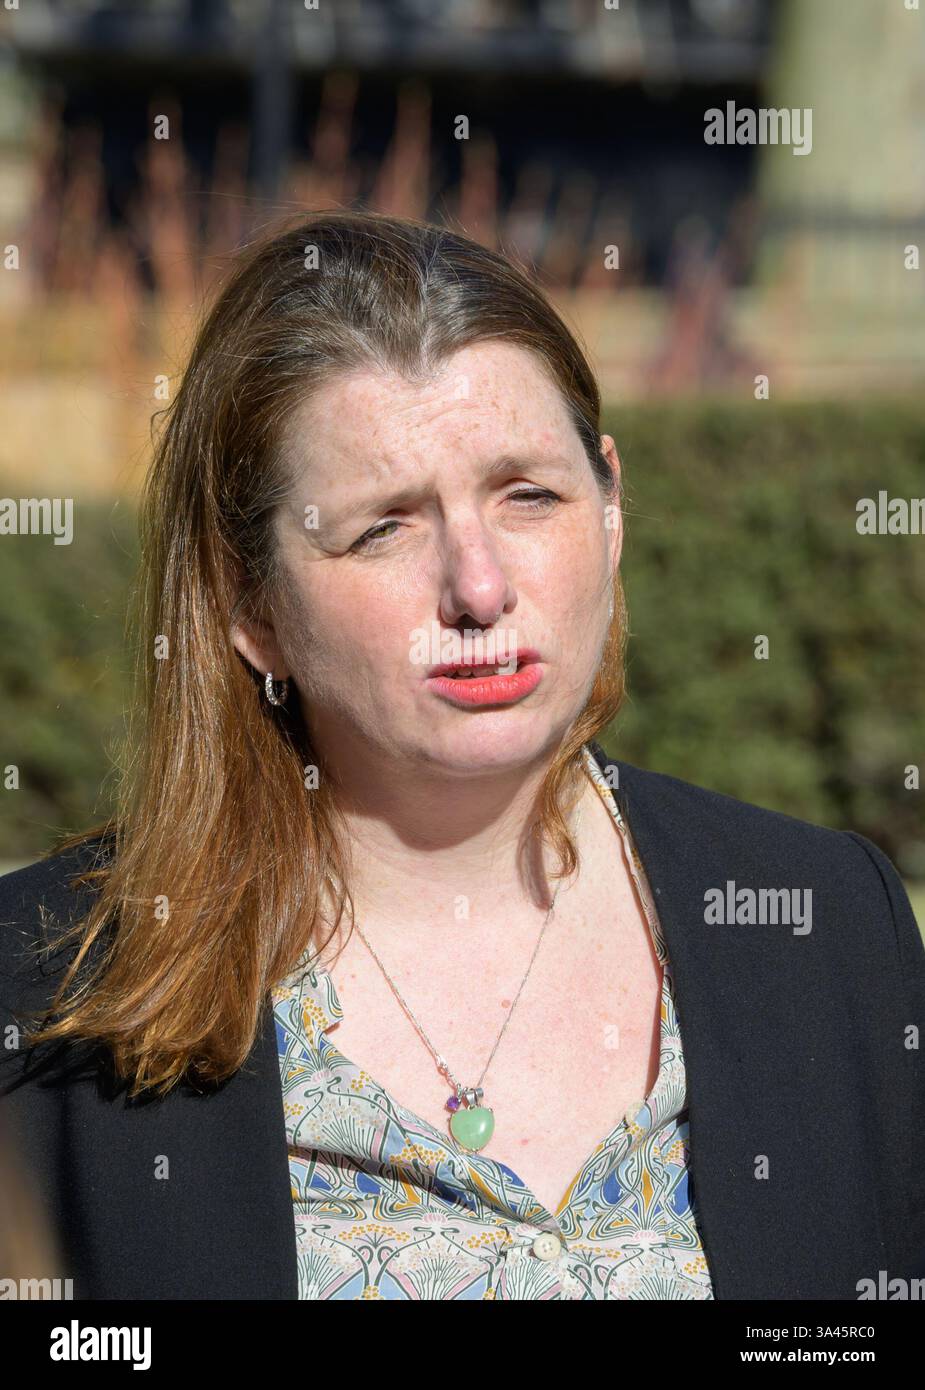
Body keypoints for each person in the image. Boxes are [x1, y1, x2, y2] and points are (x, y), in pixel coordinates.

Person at [1, 209, 922, 1302]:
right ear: (250, 603)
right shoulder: (55, 991)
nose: (478, 589)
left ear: (612, 504)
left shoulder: (820, 921)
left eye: (528, 494)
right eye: (384, 525)